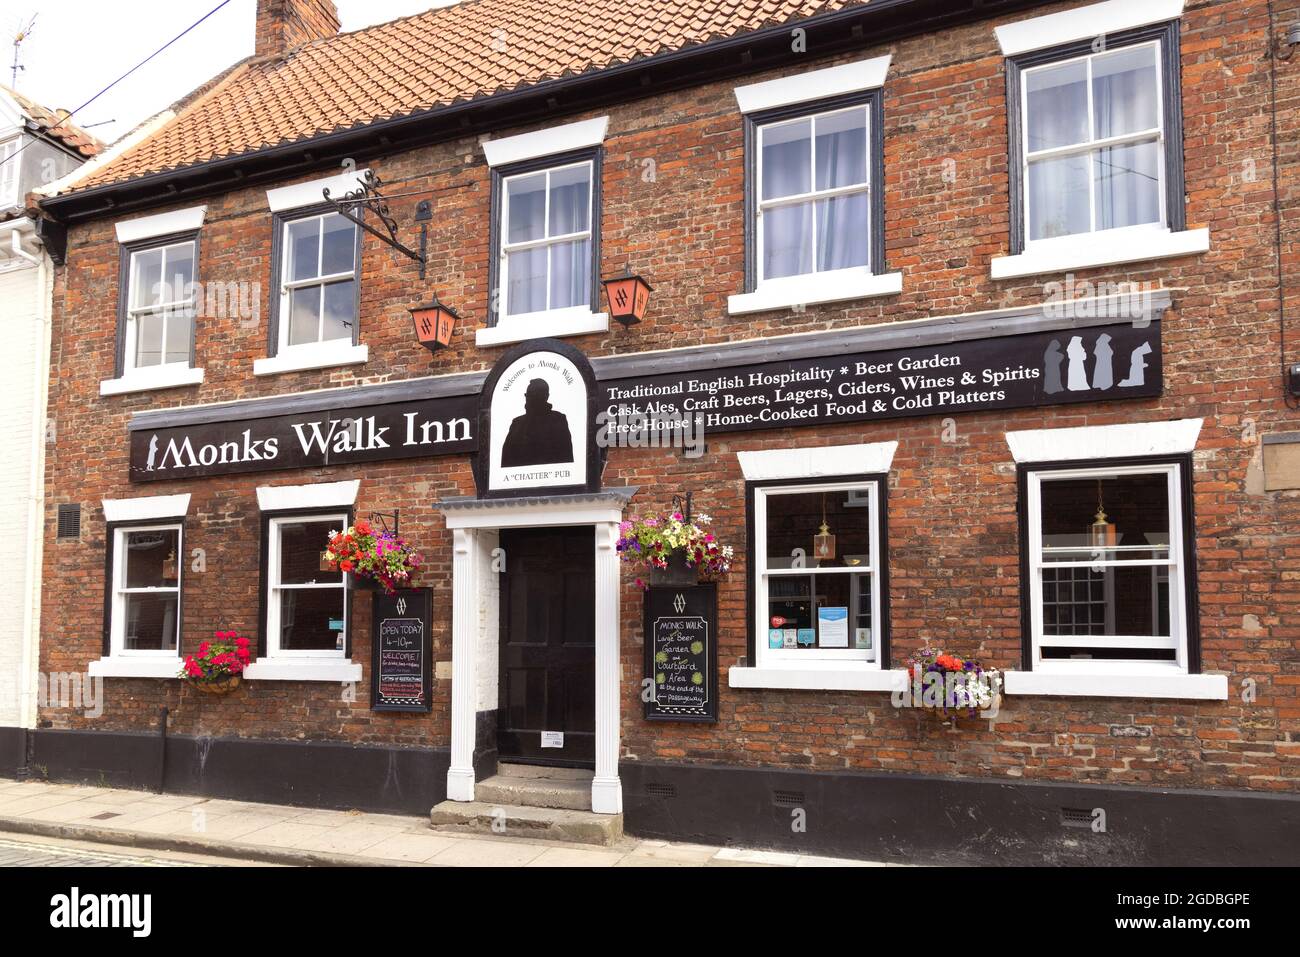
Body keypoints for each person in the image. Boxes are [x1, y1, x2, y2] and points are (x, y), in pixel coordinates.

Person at [501, 378, 573, 467]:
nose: (529, 398)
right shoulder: (517, 424)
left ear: (546, 396)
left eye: (535, 395)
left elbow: (566, 458)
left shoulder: (558, 420)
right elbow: (506, 461)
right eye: (528, 395)